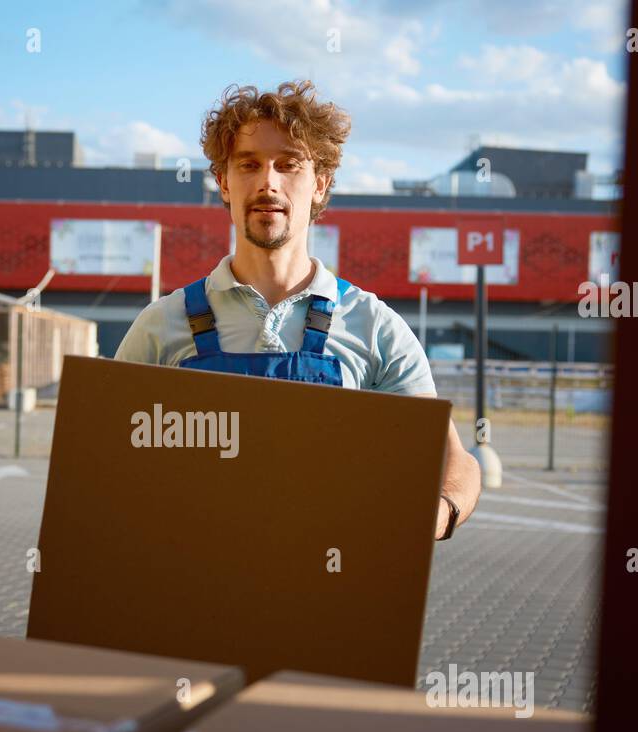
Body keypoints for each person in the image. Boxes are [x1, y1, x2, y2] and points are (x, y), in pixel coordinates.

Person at [114, 80, 480, 540]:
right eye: (249, 165)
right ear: (224, 183)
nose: (268, 181)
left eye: (289, 165)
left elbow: (452, 458)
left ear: (320, 184)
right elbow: (106, 456)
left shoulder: (375, 328)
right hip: (191, 596)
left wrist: (441, 511)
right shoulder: (160, 325)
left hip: (327, 593)